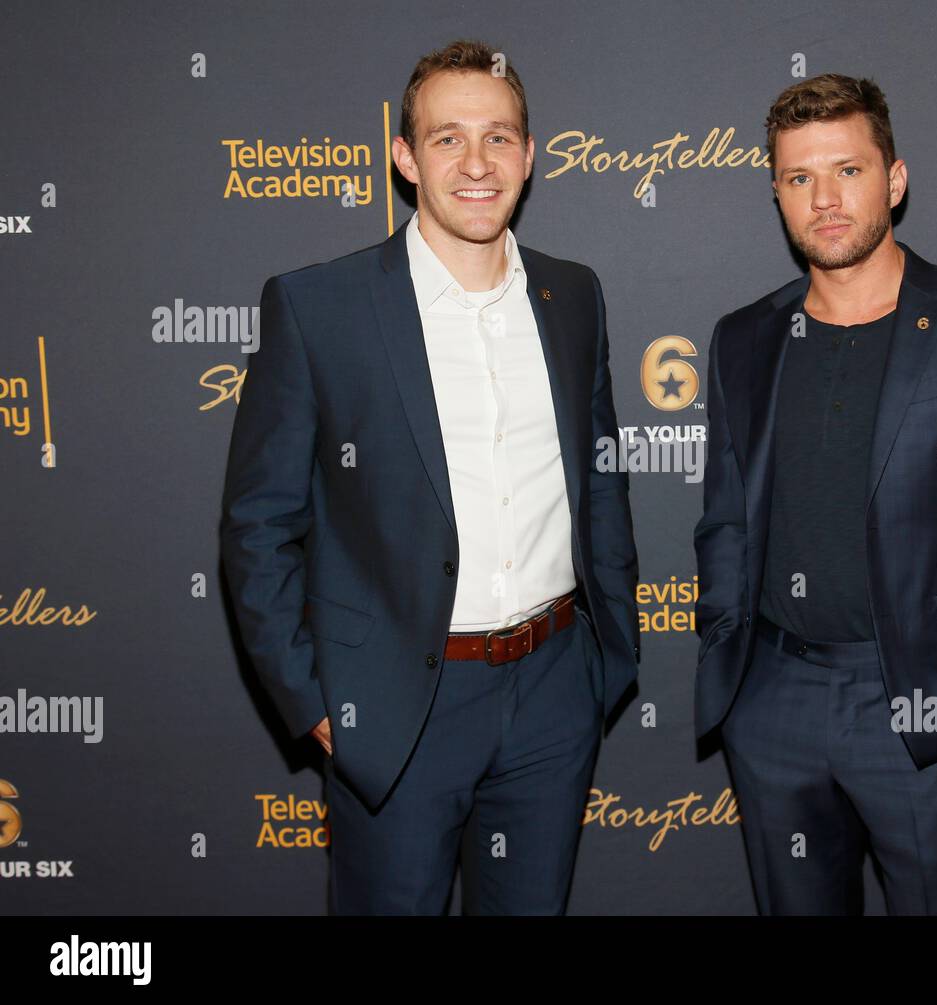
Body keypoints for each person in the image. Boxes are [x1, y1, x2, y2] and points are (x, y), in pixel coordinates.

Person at [220, 39, 639, 915]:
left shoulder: (575, 296)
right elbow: (259, 524)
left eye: (499, 137)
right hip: (400, 705)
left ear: (530, 154)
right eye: (447, 139)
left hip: (554, 689)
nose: (476, 164)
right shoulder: (319, 307)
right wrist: (314, 698)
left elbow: (599, 478)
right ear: (406, 158)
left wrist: (607, 656)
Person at [693, 73, 937, 915]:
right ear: (778, 194)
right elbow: (724, 517)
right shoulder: (744, 337)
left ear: (894, 180)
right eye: (799, 178)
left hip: (922, 703)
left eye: (848, 171)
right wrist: (736, 669)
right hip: (773, 703)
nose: (824, 198)